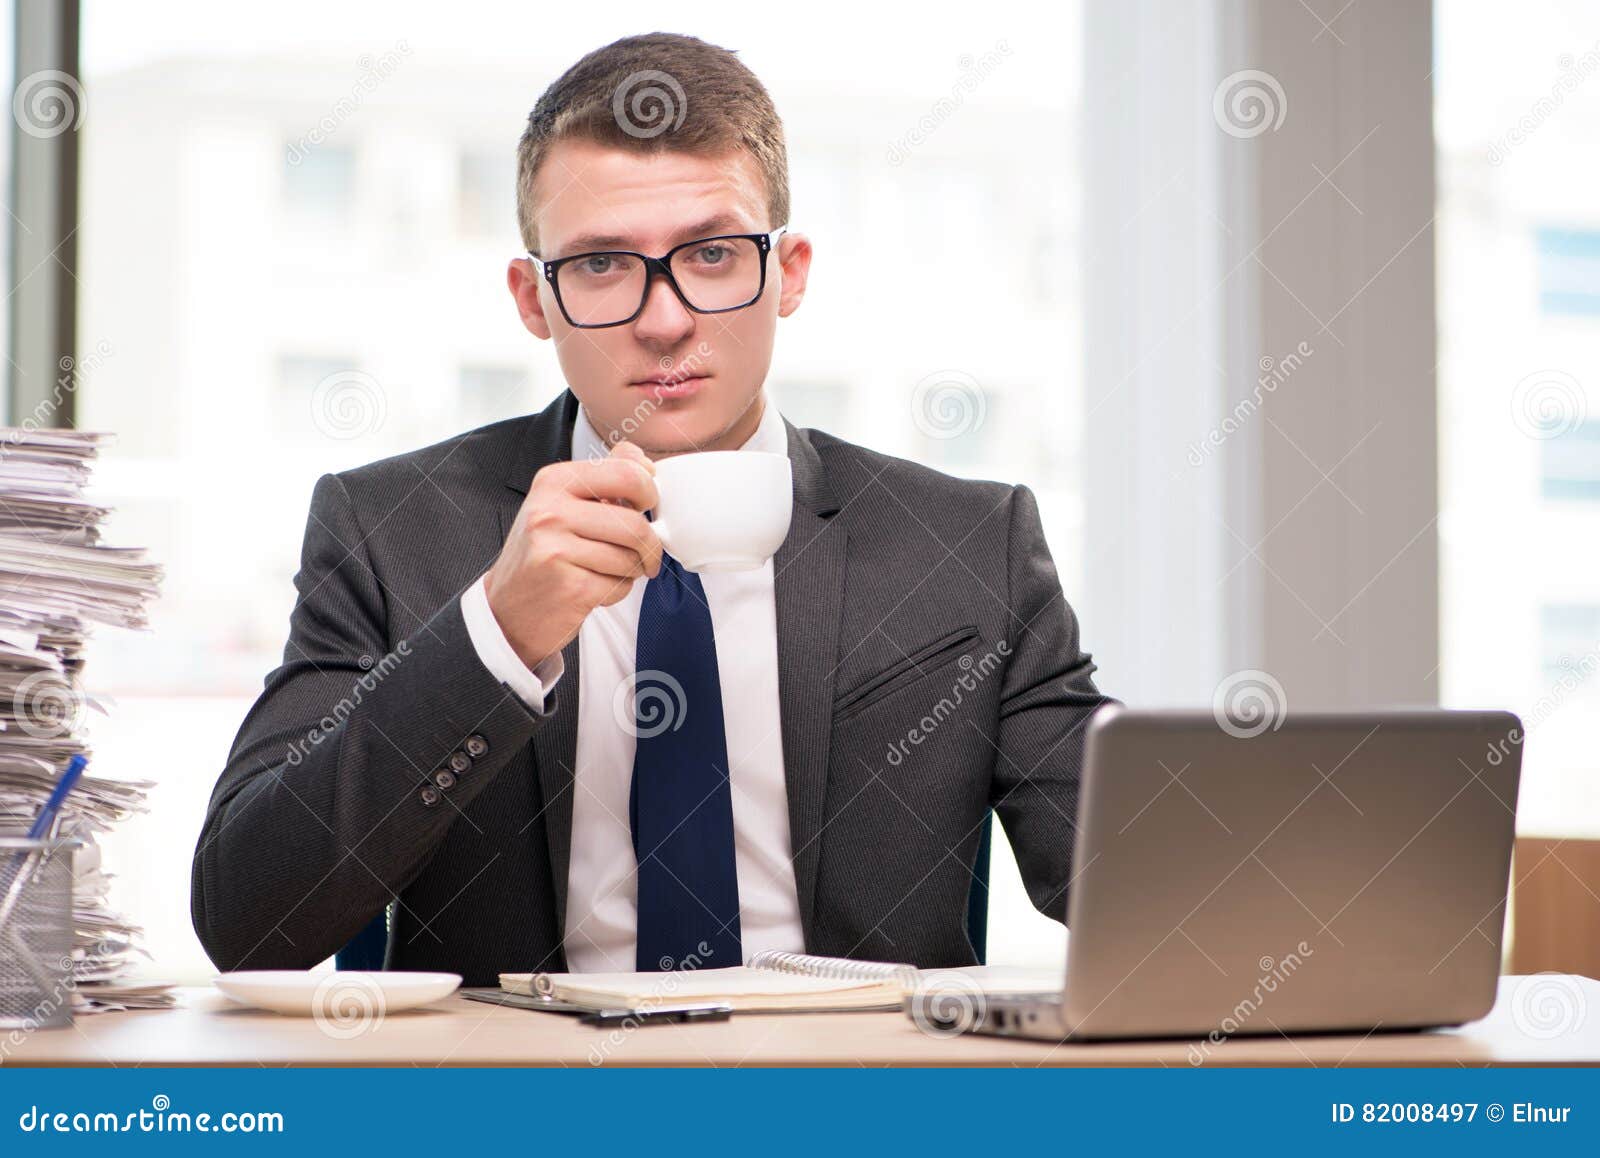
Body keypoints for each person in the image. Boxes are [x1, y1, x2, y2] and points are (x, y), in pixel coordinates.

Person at [191, 32, 1111, 985]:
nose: (665, 319)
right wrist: (494, 635)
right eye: (599, 266)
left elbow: (1147, 890)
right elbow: (248, 921)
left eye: (713, 254)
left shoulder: (967, 545)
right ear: (531, 298)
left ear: (789, 272)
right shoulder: (389, 530)